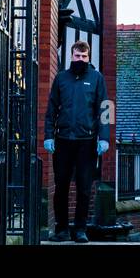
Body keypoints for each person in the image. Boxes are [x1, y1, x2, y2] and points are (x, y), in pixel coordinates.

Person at [43, 40, 110, 243]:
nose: (80, 59)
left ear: (88, 57)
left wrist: (104, 138)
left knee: (84, 187)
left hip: (87, 142)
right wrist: (48, 135)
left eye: (84, 56)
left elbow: (106, 109)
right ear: (71, 56)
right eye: (77, 56)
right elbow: (51, 109)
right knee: (61, 186)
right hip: (63, 140)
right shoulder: (61, 78)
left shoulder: (97, 78)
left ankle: (80, 230)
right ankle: (62, 230)